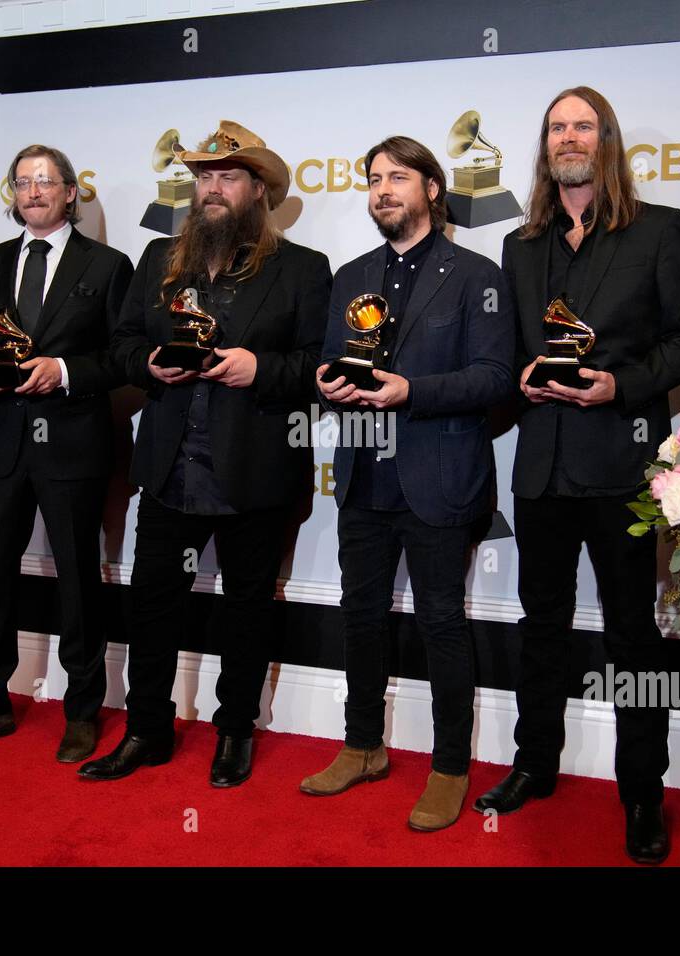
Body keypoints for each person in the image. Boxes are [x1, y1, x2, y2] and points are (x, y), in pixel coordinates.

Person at [475, 87, 680, 863]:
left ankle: (643, 793)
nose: (568, 138)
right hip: (540, 465)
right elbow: (512, 349)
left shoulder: (658, 231)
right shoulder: (520, 245)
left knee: (633, 636)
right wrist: (520, 378)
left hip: (621, 463)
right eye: (556, 127)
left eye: (582, 125)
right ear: (545, 147)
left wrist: (624, 386)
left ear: (605, 141)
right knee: (539, 629)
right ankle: (534, 764)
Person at [78, 121, 331, 787]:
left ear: (257, 190)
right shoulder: (161, 258)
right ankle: (146, 731)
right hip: (168, 470)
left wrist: (260, 368)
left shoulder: (303, 269)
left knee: (247, 609)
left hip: (255, 471)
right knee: (151, 607)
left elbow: (321, 367)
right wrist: (150, 363)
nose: (211, 188)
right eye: (203, 178)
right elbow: (123, 345)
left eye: (226, 176)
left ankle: (235, 733)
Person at [301, 136, 514, 831]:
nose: (382, 189)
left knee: (441, 624)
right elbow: (334, 365)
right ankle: (363, 746)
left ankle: (450, 765)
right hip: (362, 475)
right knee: (359, 618)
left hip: (440, 478)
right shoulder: (351, 274)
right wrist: (331, 386)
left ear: (431, 188)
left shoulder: (477, 273)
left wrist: (409, 391)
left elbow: (494, 379)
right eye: (372, 179)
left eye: (397, 177)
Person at [0, 144, 134, 762]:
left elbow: (123, 356)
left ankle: (81, 711)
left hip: (72, 443)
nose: (34, 192)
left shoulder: (108, 264)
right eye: (23, 182)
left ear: (72, 192)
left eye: (46, 182)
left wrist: (64, 371)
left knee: (77, 579)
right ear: (12, 194)